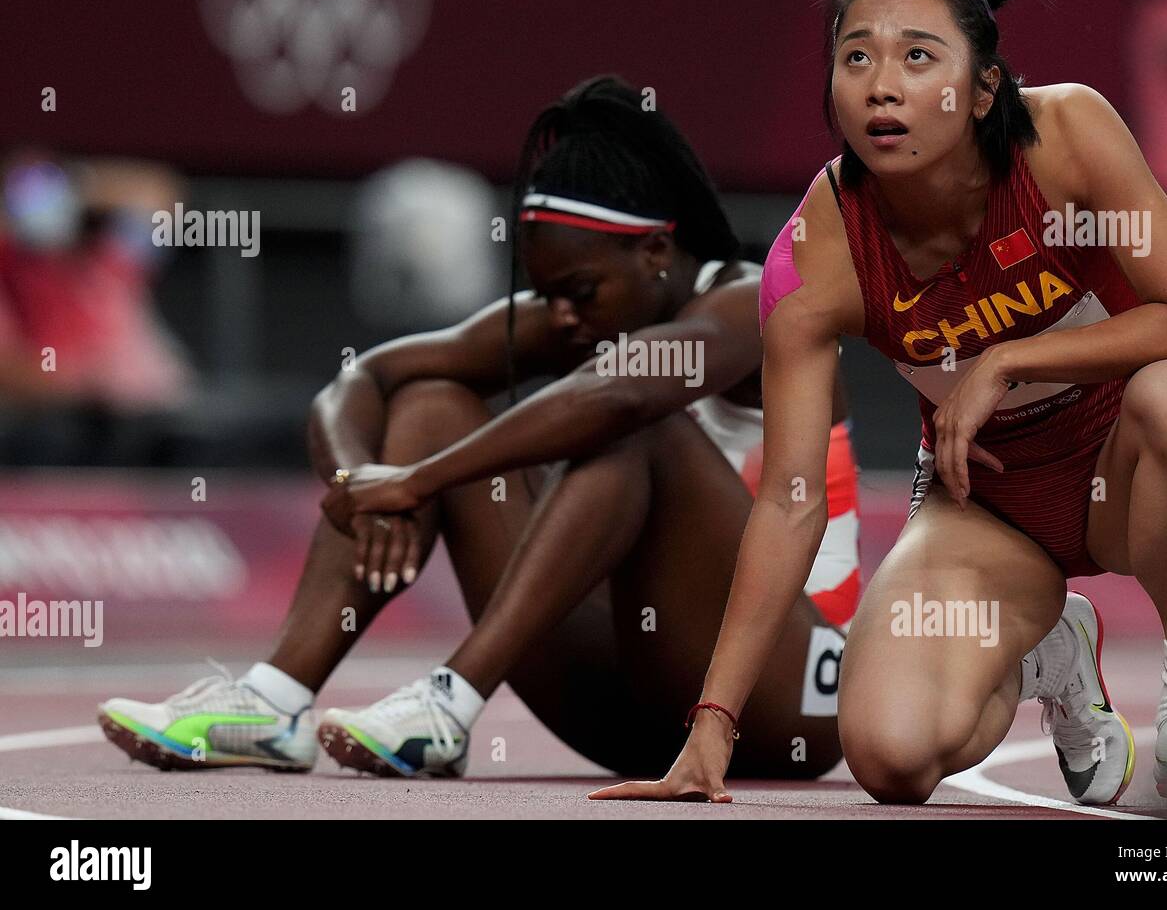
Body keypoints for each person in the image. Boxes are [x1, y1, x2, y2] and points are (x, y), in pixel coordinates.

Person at [591, 0, 1167, 806]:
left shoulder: (1069, 136)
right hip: (989, 504)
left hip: (1125, 469)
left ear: (984, 91)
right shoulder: (813, 255)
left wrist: (1008, 359)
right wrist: (712, 724)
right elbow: (790, 497)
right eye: (856, 57)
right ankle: (1050, 650)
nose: (881, 87)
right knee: (891, 758)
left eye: (918, 57)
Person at [98, 75, 861, 780]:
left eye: (581, 290)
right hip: (635, 709)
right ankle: (273, 701)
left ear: (657, 251)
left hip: (785, 703)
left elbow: (621, 397)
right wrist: (358, 485)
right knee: (431, 404)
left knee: (636, 429)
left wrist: (421, 480)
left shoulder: (752, 302)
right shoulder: (577, 316)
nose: (563, 315)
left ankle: (450, 703)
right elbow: (362, 380)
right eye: (547, 292)